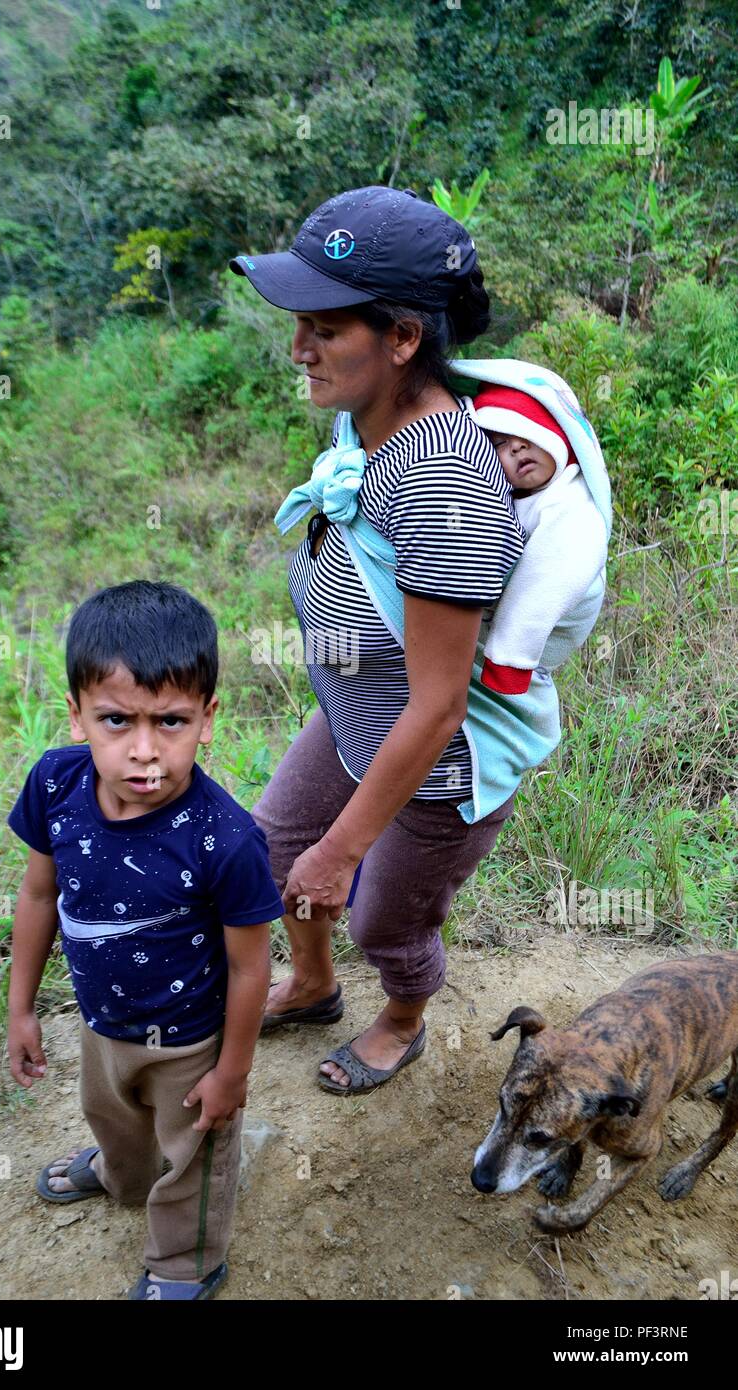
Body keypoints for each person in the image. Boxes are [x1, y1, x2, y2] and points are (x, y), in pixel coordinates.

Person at [228, 185, 527, 1096]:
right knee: (276, 847)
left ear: (403, 339)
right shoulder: (372, 424)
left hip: (436, 760)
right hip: (358, 715)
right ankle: (314, 987)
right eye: (300, 324)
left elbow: (440, 707)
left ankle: (403, 1017)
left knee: (384, 923)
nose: (299, 349)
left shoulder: (444, 484)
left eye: (325, 328)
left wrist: (347, 849)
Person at [5, 580, 284, 1300]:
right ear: (76, 717)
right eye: (115, 720)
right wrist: (22, 1008)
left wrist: (233, 1073)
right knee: (113, 1121)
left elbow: (251, 970)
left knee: (195, 1152)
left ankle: (185, 1262)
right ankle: (120, 1175)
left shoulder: (226, 839)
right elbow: (39, 894)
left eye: (170, 722)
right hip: (101, 1024)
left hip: (191, 1041)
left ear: (208, 719)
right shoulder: (54, 787)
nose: (144, 752)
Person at [468, 384, 608, 695]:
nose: (516, 447)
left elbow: (543, 585)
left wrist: (508, 662)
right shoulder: (508, 497)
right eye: (500, 444)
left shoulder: (572, 504)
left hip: (525, 646)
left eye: (527, 433)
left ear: (554, 436)